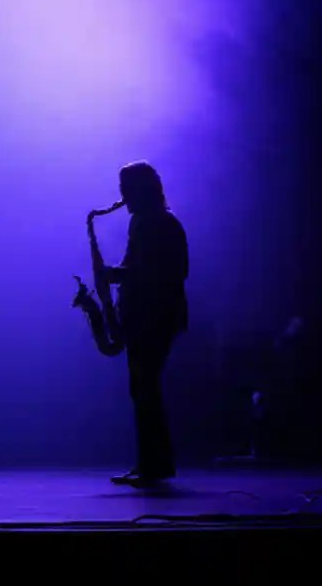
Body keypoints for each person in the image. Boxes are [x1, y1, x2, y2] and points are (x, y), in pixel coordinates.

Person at [106, 162, 189, 487]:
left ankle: (155, 465)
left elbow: (171, 272)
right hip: (143, 315)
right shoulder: (140, 222)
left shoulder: (162, 223)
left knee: (146, 389)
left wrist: (117, 276)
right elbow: (136, 266)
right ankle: (149, 464)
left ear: (140, 188)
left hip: (157, 316)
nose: (121, 195)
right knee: (142, 390)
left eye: (126, 187)